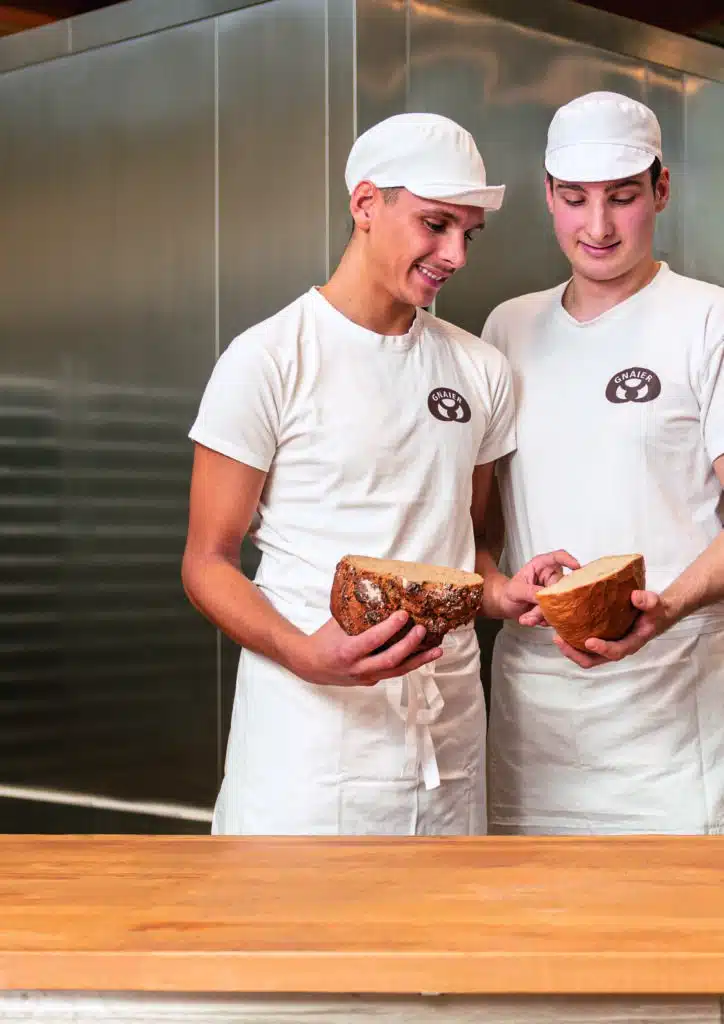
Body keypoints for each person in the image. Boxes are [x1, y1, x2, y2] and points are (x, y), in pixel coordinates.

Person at [182, 112, 573, 835]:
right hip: (307, 742)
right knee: (295, 944)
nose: (455, 254)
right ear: (366, 205)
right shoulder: (269, 359)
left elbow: (465, 550)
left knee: (442, 944)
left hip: (447, 736)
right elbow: (207, 561)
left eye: (467, 233)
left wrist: (504, 591)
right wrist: (304, 654)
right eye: (434, 224)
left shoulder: (478, 369)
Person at [482, 91, 724, 835]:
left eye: (622, 198)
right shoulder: (506, 328)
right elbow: (477, 526)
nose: (598, 226)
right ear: (548, 196)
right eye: (576, 198)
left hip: (672, 727)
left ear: (661, 190)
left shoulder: (707, 318)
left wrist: (667, 610)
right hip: (533, 723)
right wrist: (497, 590)